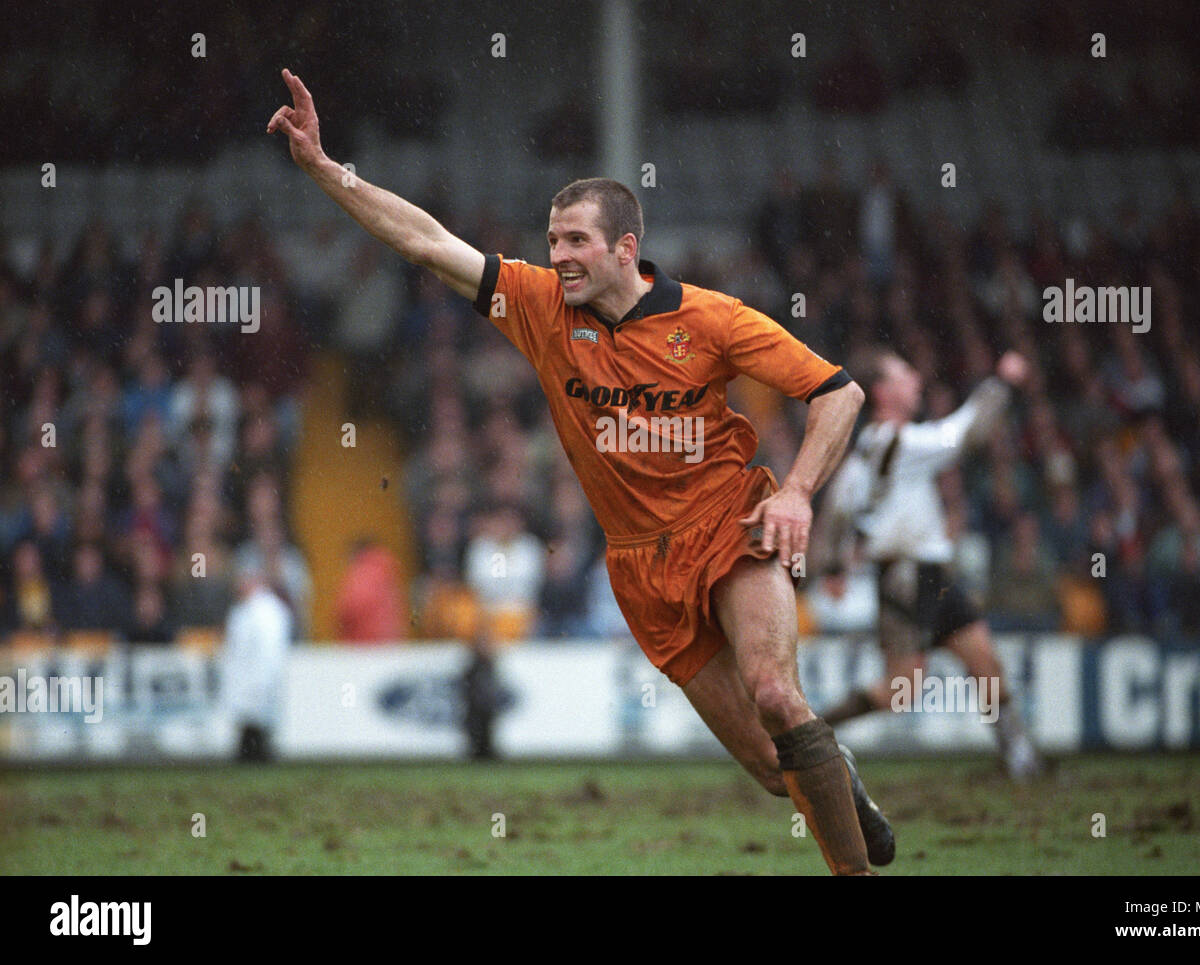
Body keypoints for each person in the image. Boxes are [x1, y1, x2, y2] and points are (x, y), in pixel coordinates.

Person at [269, 69, 892, 874]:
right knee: (779, 773)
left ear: (624, 249)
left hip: (730, 521)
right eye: (552, 240)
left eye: (574, 242)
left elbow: (839, 392)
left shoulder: (711, 320)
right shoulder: (536, 307)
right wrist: (326, 169)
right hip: (639, 562)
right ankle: (840, 777)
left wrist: (800, 493)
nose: (556, 255)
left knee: (776, 693)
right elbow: (424, 240)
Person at [818, 348, 1046, 780]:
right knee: (899, 691)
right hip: (905, 576)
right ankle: (812, 732)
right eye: (905, 373)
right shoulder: (897, 442)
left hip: (933, 572)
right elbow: (966, 435)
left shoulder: (871, 447)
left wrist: (833, 565)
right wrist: (1002, 383)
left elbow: (839, 505)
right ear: (883, 392)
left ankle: (1021, 761)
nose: (917, 380)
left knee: (985, 664)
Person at [222, 558, 293, 762]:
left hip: (257, 683)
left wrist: (262, 684)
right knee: (249, 732)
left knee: (256, 734)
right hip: (248, 683)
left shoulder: (267, 610)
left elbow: (269, 654)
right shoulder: (246, 609)